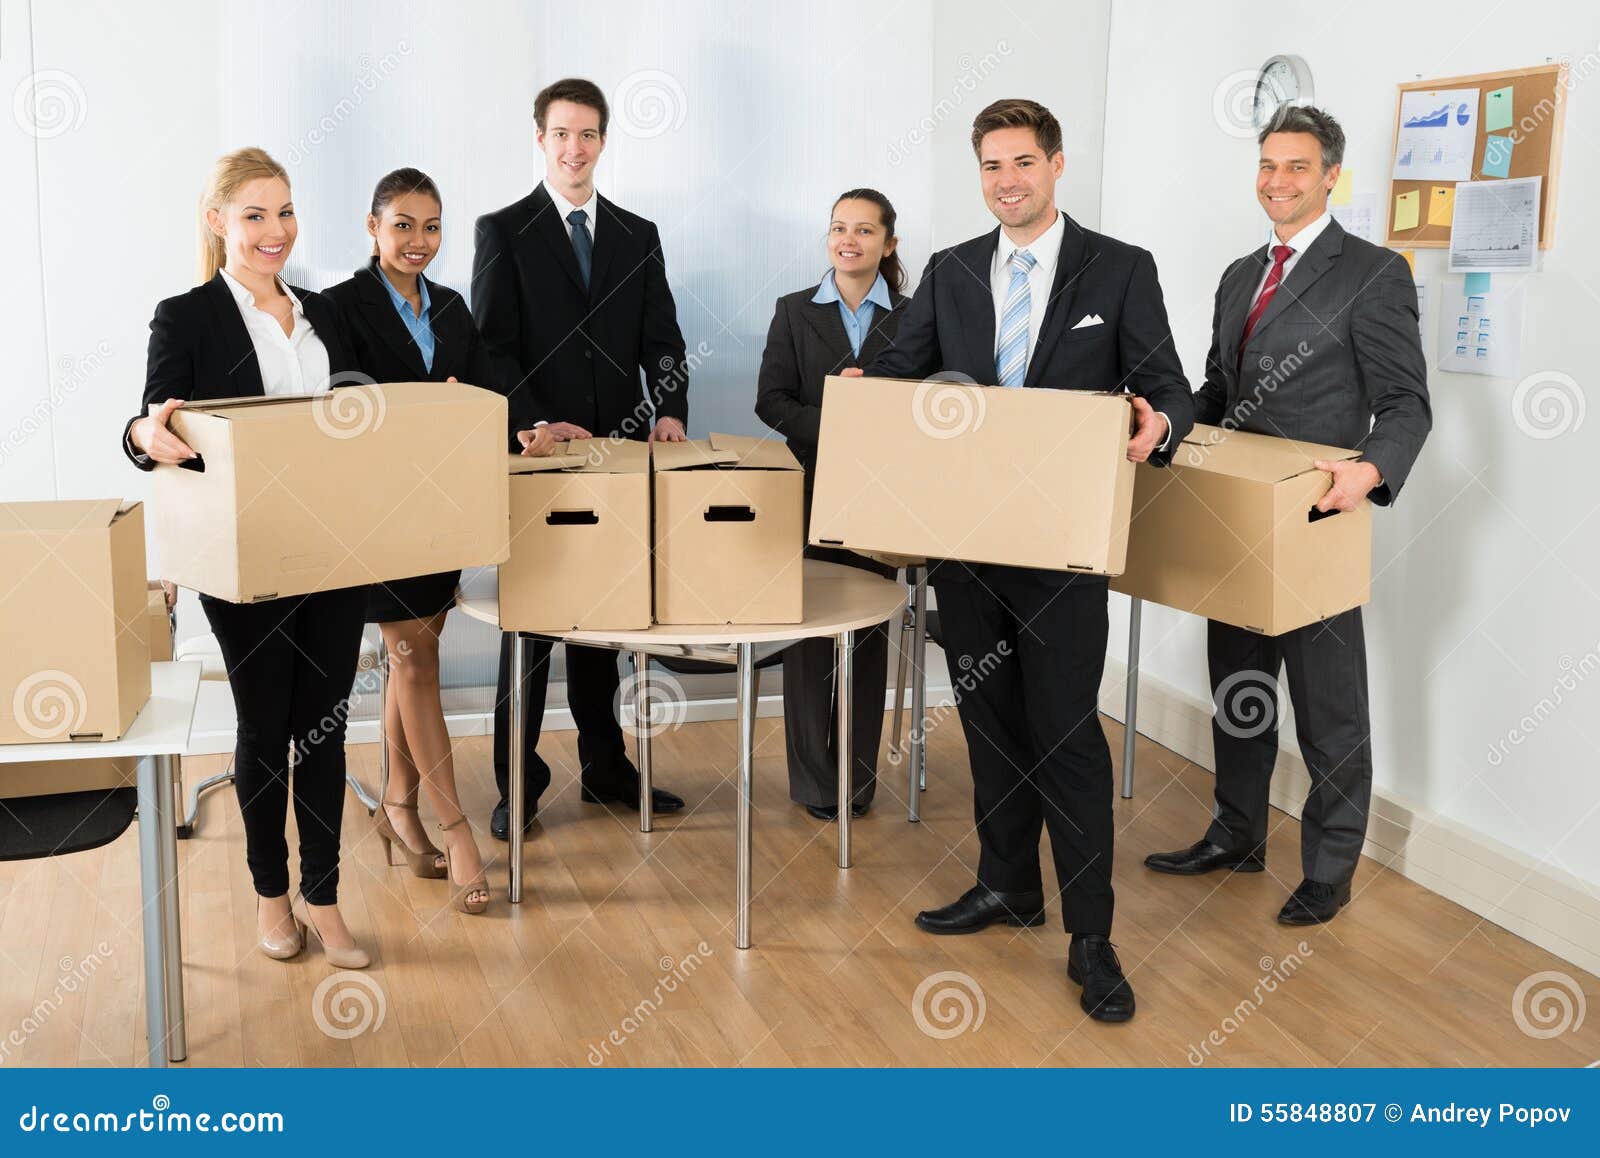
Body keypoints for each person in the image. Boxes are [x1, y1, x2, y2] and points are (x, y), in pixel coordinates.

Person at [864, 99, 1194, 1022]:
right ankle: (1008, 884)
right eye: (991, 166)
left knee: (1066, 734)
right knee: (989, 724)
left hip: (1063, 547)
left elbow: (1168, 385)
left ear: (1056, 165)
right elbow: (900, 373)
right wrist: (871, 392)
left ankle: (1092, 936)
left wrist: (1160, 424)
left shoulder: (1119, 268)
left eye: (1022, 163)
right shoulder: (952, 270)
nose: (1006, 181)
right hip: (967, 545)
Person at [1144, 105, 1430, 926]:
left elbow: (1406, 403)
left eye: (1297, 166)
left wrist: (1369, 472)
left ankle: (1330, 868)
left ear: (1331, 176)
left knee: (1328, 707)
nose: (1278, 181)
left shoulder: (1373, 272)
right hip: (1234, 515)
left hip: (1317, 517)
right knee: (1239, 688)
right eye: (1268, 165)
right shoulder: (1241, 274)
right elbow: (1217, 392)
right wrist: (1165, 427)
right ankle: (1236, 833)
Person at [122, 147, 369, 969]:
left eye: (285, 211)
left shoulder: (324, 312)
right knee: (266, 726)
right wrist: (142, 433)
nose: (276, 230)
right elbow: (153, 420)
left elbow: (367, 412)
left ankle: (324, 899)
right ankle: (271, 897)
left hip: (334, 547)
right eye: (255, 214)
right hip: (243, 554)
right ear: (217, 221)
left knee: (326, 726)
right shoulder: (187, 316)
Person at [325, 168, 555, 914]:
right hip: (377, 515)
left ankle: (398, 802)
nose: (418, 241)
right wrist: (429, 408)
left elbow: (488, 389)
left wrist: (526, 427)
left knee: (412, 654)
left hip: (438, 508)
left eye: (430, 227)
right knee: (416, 663)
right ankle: (457, 833)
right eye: (402, 225)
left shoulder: (451, 307)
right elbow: (340, 405)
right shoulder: (338, 306)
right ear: (373, 227)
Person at [472, 77, 690, 840]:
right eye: (562, 134)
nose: (575, 148)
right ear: (541, 138)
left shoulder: (637, 234)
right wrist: (534, 421)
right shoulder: (503, 231)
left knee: (607, 617)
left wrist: (669, 409)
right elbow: (491, 347)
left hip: (621, 454)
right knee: (532, 626)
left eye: (588, 134)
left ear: (603, 141)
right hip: (538, 457)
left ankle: (606, 767)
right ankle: (518, 784)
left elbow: (663, 337)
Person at [755, 189, 909, 820]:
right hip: (810, 491)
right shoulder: (794, 311)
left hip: (884, 497)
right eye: (839, 228)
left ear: (888, 244)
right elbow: (772, 401)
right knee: (811, 640)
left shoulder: (916, 315)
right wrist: (840, 418)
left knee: (868, 638)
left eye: (865, 230)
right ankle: (816, 785)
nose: (849, 240)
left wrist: (876, 412)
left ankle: (856, 783)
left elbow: (935, 400)